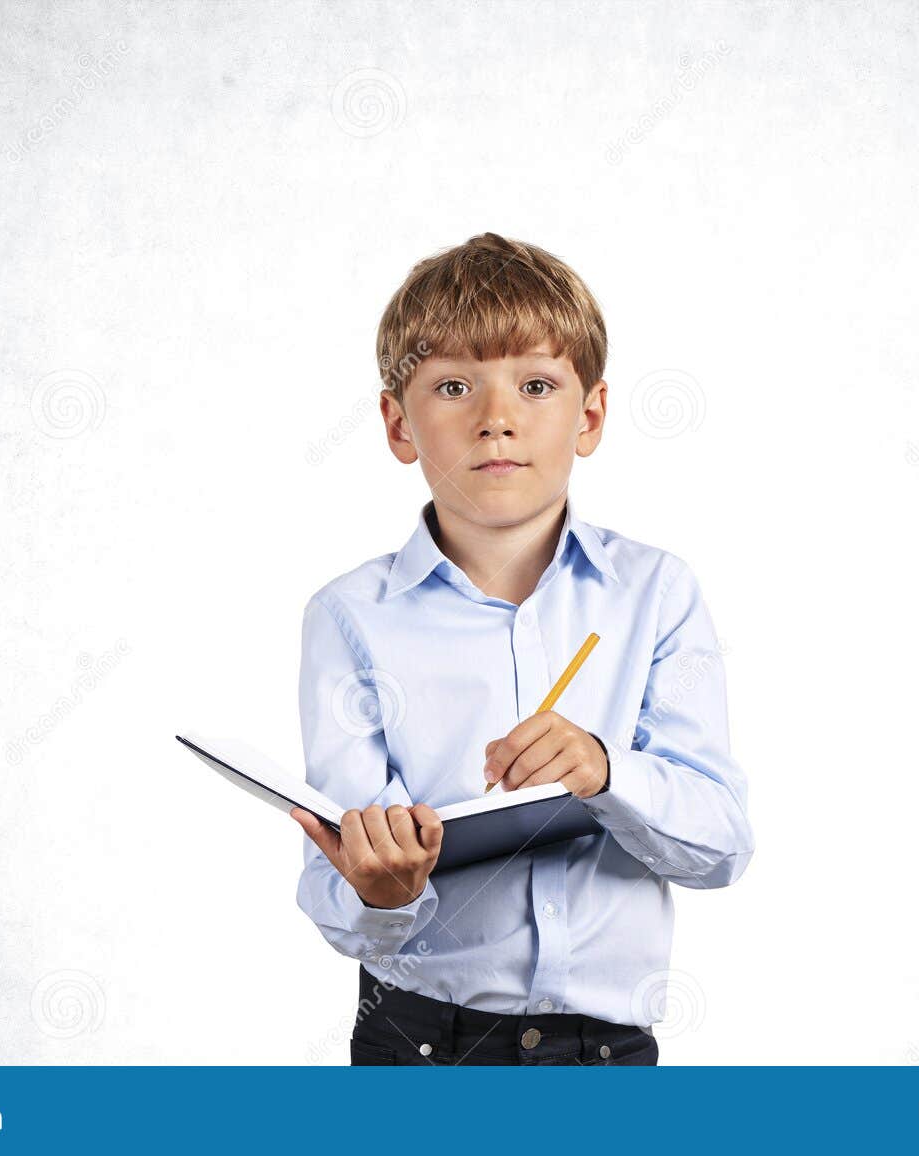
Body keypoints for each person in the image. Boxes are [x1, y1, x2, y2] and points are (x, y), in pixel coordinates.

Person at [289, 232, 753, 1065]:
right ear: (398, 424)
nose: (495, 419)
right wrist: (381, 892)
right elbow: (339, 889)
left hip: (604, 1059)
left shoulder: (656, 593)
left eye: (535, 385)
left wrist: (606, 772)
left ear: (591, 416)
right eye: (453, 387)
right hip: (417, 1047)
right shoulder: (350, 616)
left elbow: (720, 845)